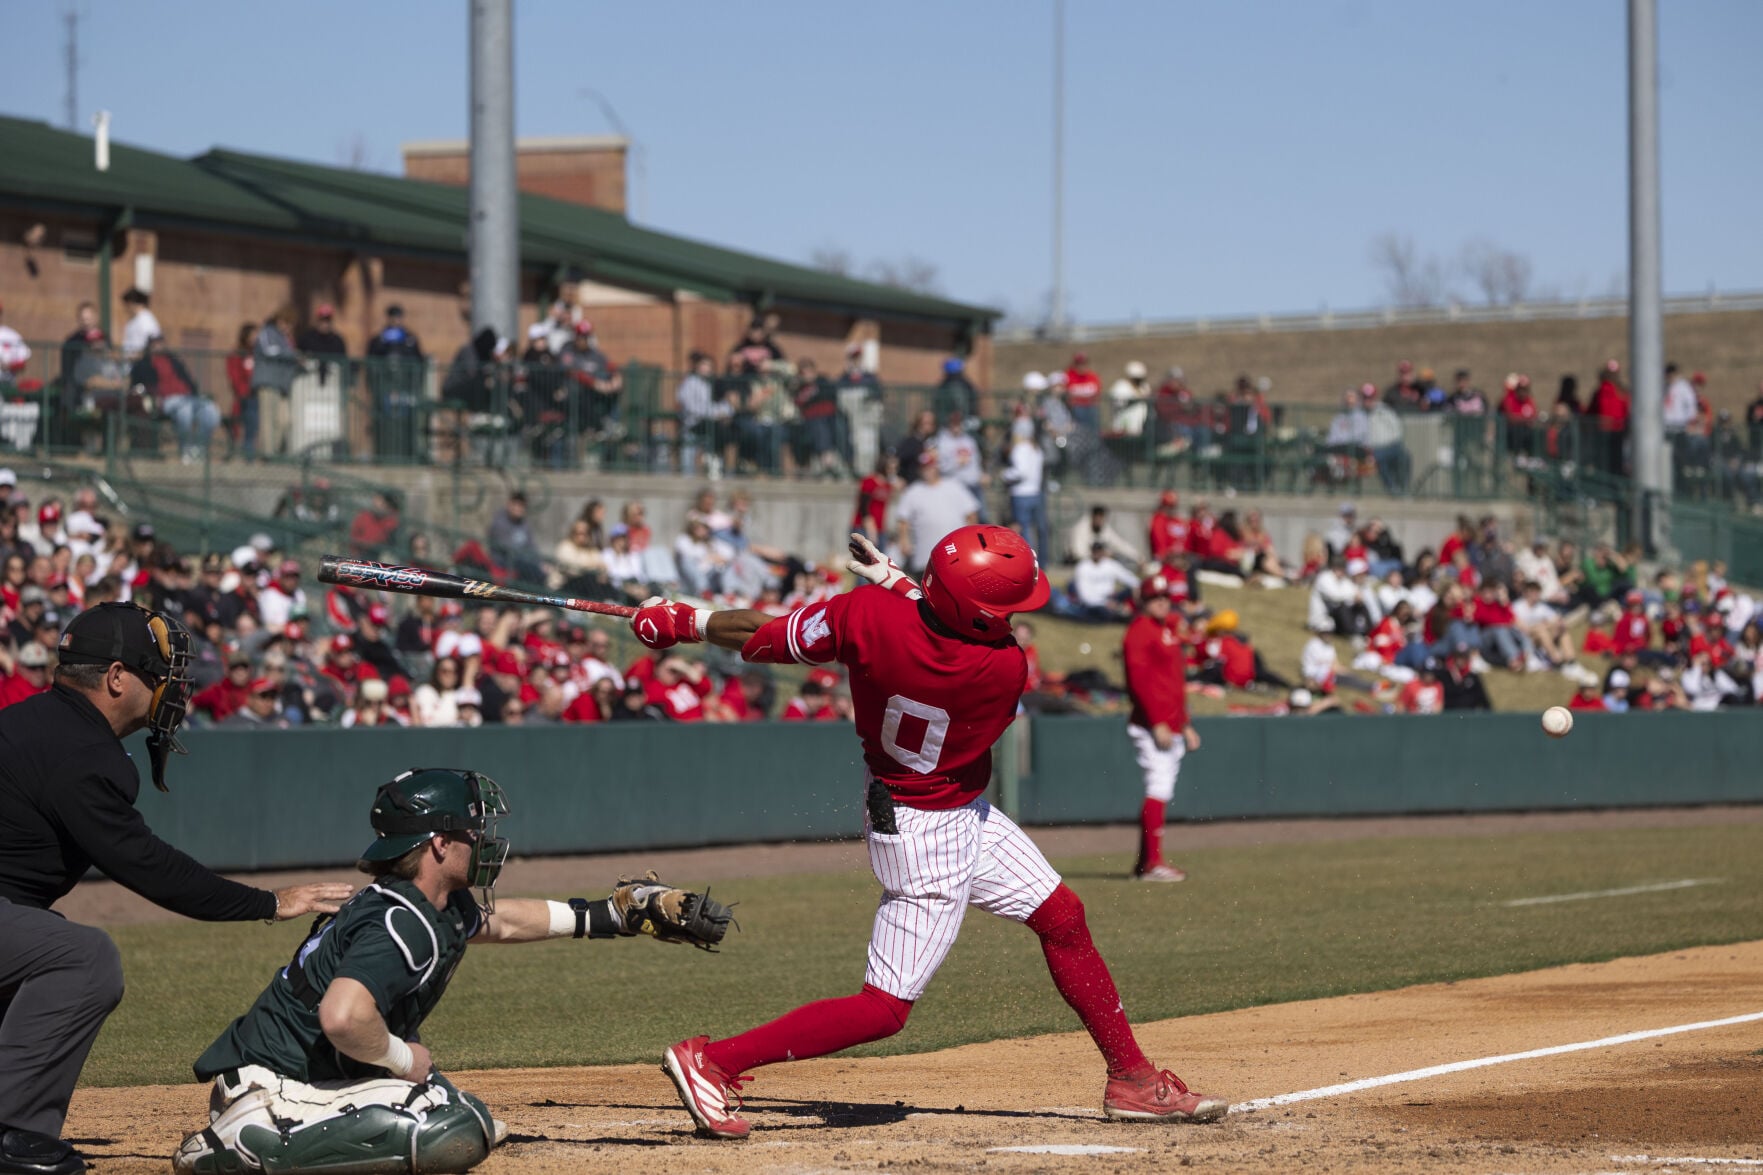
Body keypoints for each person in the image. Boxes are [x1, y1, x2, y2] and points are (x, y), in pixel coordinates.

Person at [629, 526, 1226, 1139]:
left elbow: (763, 635)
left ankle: (1130, 1077)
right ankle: (714, 1062)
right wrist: (905, 587)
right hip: (930, 833)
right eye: (1005, 610)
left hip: (935, 807)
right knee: (884, 1008)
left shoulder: (865, 614)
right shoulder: (1002, 668)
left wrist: (685, 620)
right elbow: (945, 632)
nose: (1013, 622)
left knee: (1063, 917)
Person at [172, 769, 719, 1174]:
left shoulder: (423, 904)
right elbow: (342, 1017)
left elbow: (501, 921)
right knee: (450, 1130)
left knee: (461, 1115)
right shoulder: (399, 922)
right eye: (470, 830)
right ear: (438, 842)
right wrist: (404, 1059)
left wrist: (610, 915)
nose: (481, 840)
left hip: (300, 1076)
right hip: (276, 1089)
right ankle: (244, 1148)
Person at [0, 603, 350, 1175]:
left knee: (32, 951)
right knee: (82, 960)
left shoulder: (35, 724)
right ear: (116, 678)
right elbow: (149, 868)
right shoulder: (82, 752)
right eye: (157, 675)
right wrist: (271, 901)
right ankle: (10, 1134)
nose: (170, 690)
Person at [1121, 573, 1200, 882]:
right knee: (1158, 786)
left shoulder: (1163, 629)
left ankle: (1145, 864)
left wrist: (1185, 722)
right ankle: (1153, 863)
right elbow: (1138, 682)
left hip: (1170, 722)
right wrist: (1157, 722)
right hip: (1152, 724)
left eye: (1165, 597)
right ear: (1143, 601)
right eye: (1155, 598)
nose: (1162, 602)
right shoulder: (1140, 631)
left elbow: (1174, 683)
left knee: (1161, 786)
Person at [892, 453, 978, 575]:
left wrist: (970, 540)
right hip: (925, 558)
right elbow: (903, 520)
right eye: (924, 468)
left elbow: (971, 514)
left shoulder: (954, 486)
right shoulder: (913, 491)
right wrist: (904, 541)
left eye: (930, 467)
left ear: (936, 467)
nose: (927, 471)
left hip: (956, 556)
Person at [365, 306, 425, 462]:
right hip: (385, 387)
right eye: (393, 317)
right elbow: (371, 361)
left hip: (405, 388)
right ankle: (384, 456)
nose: (396, 320)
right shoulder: (379, 339)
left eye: (398, 317)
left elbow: (419, 361)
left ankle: (407, 456)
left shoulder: (409, 339)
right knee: (385, 424)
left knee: (405, 423)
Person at [250, 305, 301, 460]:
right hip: (267, 382)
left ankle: (276, 453)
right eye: (287, 324)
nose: (288, 328)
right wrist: (292, 355)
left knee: (285, 421)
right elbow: (270, 350)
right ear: (280, 321)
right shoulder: (267, 332)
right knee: (269, 420)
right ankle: (268, 455)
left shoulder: (285, 339)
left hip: (282, 386)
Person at [1067, 504, 1138, 565]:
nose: (1099, 521)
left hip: (1098, 563)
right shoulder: (1081, 528)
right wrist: (1099, 555)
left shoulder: (1104, 528)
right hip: (1078, 564)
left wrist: (1138, 557)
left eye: (1101, 518)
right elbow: (1079, 553)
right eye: (1097, 518)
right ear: (1092, 517)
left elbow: (1120, 545)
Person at [118, 288, 161, 359]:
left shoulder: (146, 319)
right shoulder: (132, 321)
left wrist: (138, 355)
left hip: (142, 362)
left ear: (132, 303)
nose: (126, 308)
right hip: (130, 362)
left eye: (127, 305)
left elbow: (153, 343)